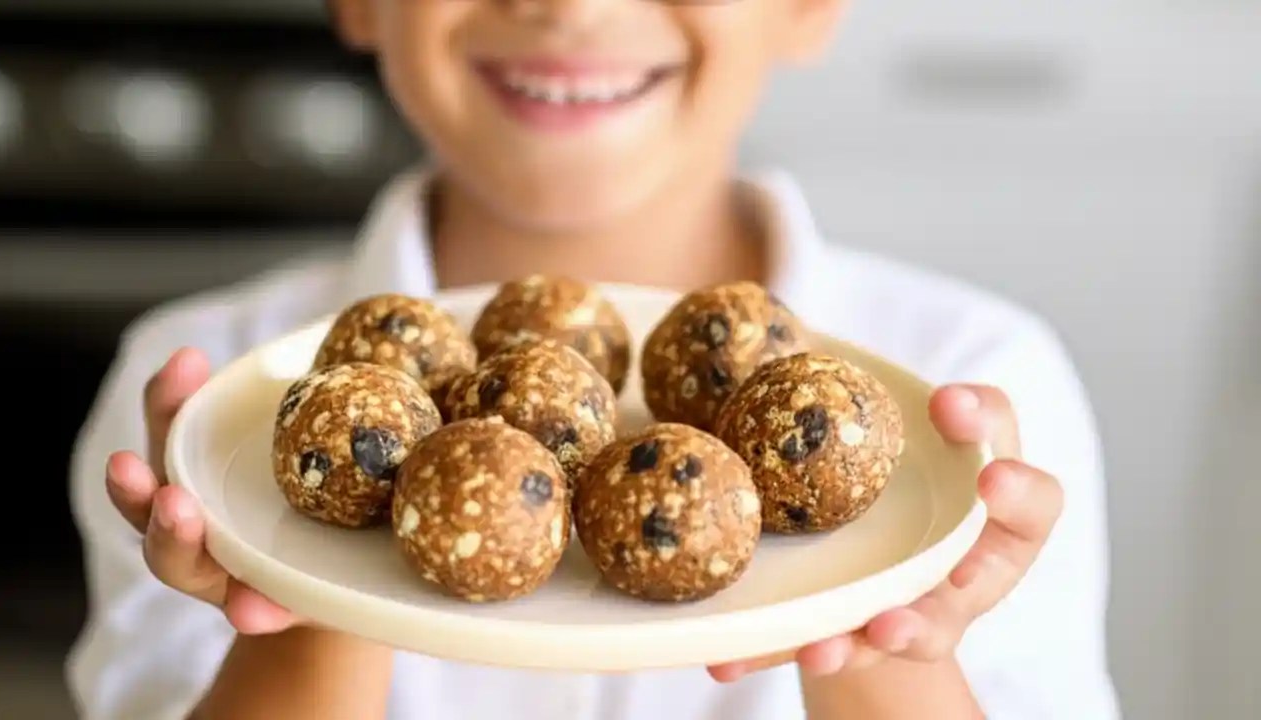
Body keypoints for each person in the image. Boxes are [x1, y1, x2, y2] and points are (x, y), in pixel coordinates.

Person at [64, 1, 1121, 718]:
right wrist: (303, 600)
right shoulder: (213, 404)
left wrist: (895, 638)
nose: (569, 5)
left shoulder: (970, 388)